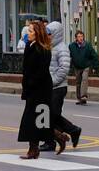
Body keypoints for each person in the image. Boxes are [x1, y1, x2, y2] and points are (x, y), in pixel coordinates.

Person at [17, 19, 65, 158]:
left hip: (40, 90)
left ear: (37, 34)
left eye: (31, 31)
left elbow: (41, 72)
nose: (28, 33)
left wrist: (31, 84)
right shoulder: (29, 45)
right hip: (31, 89)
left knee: (33, 120)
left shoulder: (43, 49)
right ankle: (58, 137)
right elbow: (26, 69)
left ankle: (33, 149)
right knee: (38, 121)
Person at [41, 21, 82, 152]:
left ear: (56, 34)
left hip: (58, 87)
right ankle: (52, 140)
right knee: (47, 115)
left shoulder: (62, 48)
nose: (47, 36)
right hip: (49, 87)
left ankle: (71, 131)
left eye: (49, 33)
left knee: (52, 115)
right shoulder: (49, 47)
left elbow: (63, 68)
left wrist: (51, 81)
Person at [68, 30, 98, 105]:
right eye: (79, 37)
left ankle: (83, 96)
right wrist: (69, 66)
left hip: (86, 66)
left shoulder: (87, 45)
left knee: (84, 79)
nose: (80, 38)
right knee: (78, 82)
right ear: (76, 38)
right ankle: (79, 98)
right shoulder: (71, 46)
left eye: (82, 36)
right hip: (77, 67)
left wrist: (95, 66)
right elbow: (69, 57)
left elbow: (94, 56)